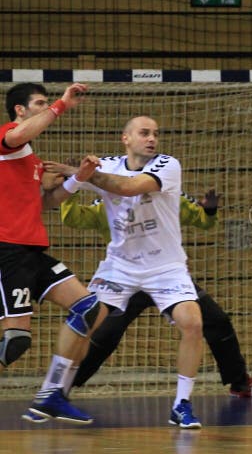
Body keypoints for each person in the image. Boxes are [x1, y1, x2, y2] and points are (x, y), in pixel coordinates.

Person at [45, 115, 206, 429]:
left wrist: (83, 173)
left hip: (166, 267)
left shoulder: (167, 165)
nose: (152, 139)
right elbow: (59, 191)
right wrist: (57, 178)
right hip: (120, 266)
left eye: (156, 134)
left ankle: (182, 404)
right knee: (85, 319)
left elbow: (131, 188)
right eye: (144, 133)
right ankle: (55, 394)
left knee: (193, 322)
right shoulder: (104, 164)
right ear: (126, 138)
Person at [49, 186, 252, 399]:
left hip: (165, 275)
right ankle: (62, 388)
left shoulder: (168, 196)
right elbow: (74, 218)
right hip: (125, 278)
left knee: (216, 320)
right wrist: (73, 189)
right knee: (103, 333)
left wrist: (208, 211)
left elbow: (201, 220)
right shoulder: (111, 200)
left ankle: (240, 383)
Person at [1, 82, 108, 425]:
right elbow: (16, 137)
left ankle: (52, 394)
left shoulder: (30, 159)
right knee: (14, 343)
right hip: (8, 251)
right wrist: (61, 104)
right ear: (20, 110)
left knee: (90, 308)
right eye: (39, 103)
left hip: (32, 250)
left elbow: (45, 202)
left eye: (47, 103)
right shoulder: (8, 138)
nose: (45, 107)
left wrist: (78, 179)